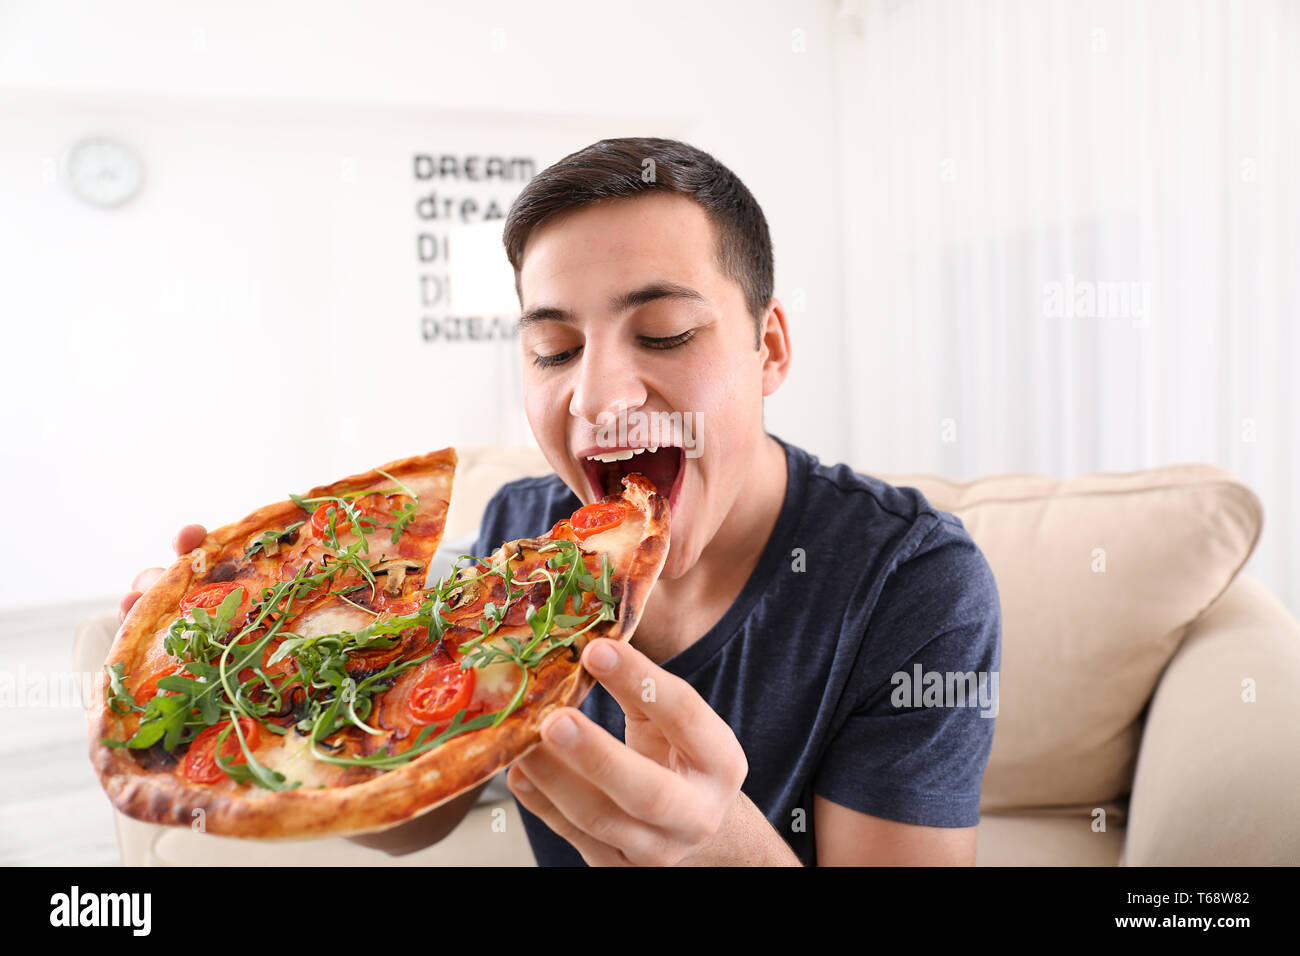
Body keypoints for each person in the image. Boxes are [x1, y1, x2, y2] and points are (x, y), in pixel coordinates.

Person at [120, 137, 1001, 866]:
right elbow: (418, 812)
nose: (597, 397)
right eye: (552, 347)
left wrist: (718, 846)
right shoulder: (521, 526)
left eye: (665, 333)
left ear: (769, 349)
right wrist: (271, 702)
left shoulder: (914, 580)